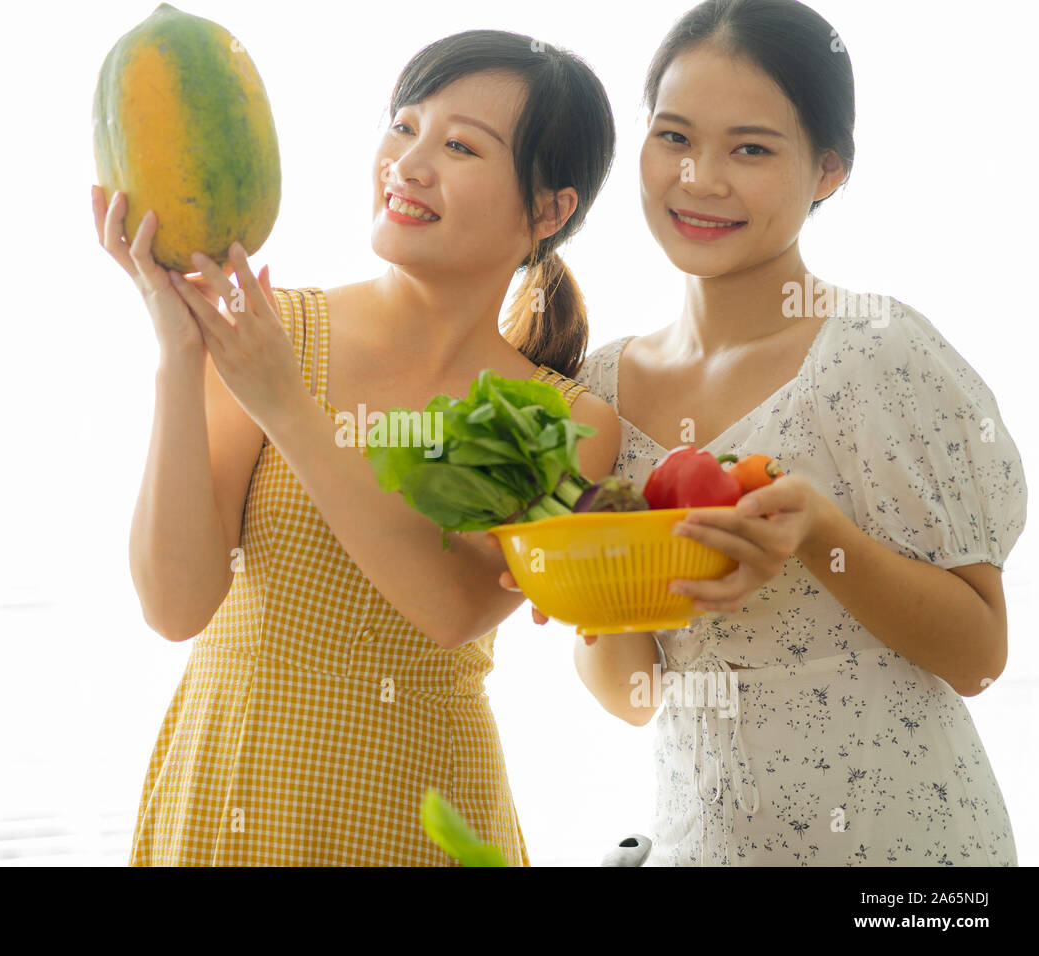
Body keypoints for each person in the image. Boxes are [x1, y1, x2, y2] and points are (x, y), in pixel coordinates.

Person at [498, 0, 1026, 866]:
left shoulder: (872, 352)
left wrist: (820, 532)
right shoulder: (595, 391)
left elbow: (979, 658)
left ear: (828, 171)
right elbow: (634, 698)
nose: (700, 179)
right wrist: (586, 593)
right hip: (704, 844)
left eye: (750, 148)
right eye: (674, 137)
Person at [92, 29, 627, 865]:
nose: (408, 164)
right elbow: (174, 605)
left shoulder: (564, 419)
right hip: (227, 796)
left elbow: (453, 608)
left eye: (458, 146)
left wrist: (288, 409)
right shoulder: (274, 331)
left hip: (421, 817)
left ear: (549, 209)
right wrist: (179, 351)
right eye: (403, 125)